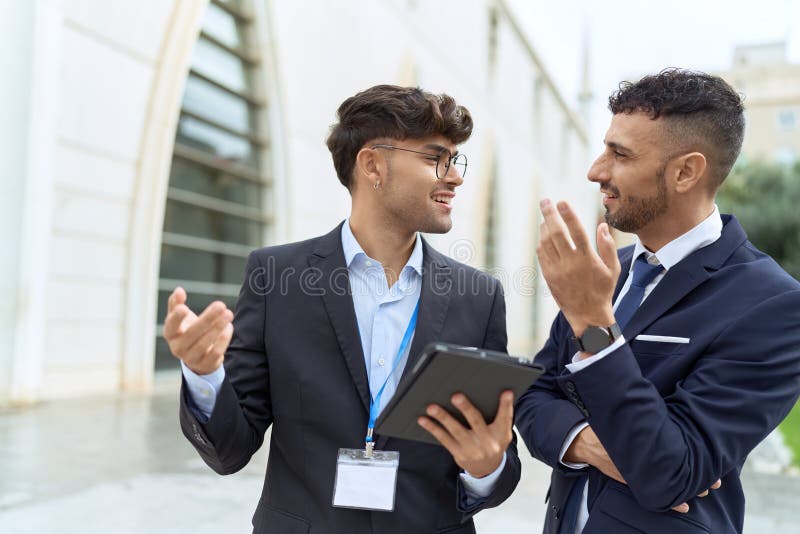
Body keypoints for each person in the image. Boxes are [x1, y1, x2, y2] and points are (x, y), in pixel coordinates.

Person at [164, 84, 521, 534]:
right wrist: (204, 375)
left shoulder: (480, 297)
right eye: (436, 159)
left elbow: (502, 462)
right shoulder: (275, 277)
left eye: (455, 160)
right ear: (373, 164)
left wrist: (486, 467)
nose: (454, 177)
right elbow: (230, 451)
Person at [515, 69, 800, 534]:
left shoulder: (775, 306)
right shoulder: (610, 269)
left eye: (619, 154)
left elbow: (669, 472)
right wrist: (588, 443)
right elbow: (534, 395)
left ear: (686, 171)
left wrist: (593, 320)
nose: (596, 171)